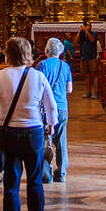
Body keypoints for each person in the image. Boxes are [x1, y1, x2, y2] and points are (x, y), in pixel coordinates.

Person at [0, 38, 58, 211]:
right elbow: (51, 105)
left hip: (9, 134)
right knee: (35, 181)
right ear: (27, 54)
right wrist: (51, 125)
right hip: (33, 132)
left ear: (7, 54)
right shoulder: (37, 76)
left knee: (11, 184)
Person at [37, 37, 72, 182]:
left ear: (46, 50)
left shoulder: (42, 65)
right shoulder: (66, 66)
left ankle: (46, 174)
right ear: (61, 52)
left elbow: (39, 88)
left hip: (46, 107)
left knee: (45, 139)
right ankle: (62, 172)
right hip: (62, 107)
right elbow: (69, 89)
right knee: (61, 140)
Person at [78, 19, 101, 99]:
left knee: (94, 74)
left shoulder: (94, 33)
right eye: (87, 25)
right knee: (86, 75)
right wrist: (79, 31)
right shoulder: (82, 34)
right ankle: (88, 92)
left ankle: (96, 92)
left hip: (92, 57)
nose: (89, 27)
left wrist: (87, 32)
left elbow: (92, 40)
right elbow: (76, 41)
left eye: (90, 25)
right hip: (84, 56)